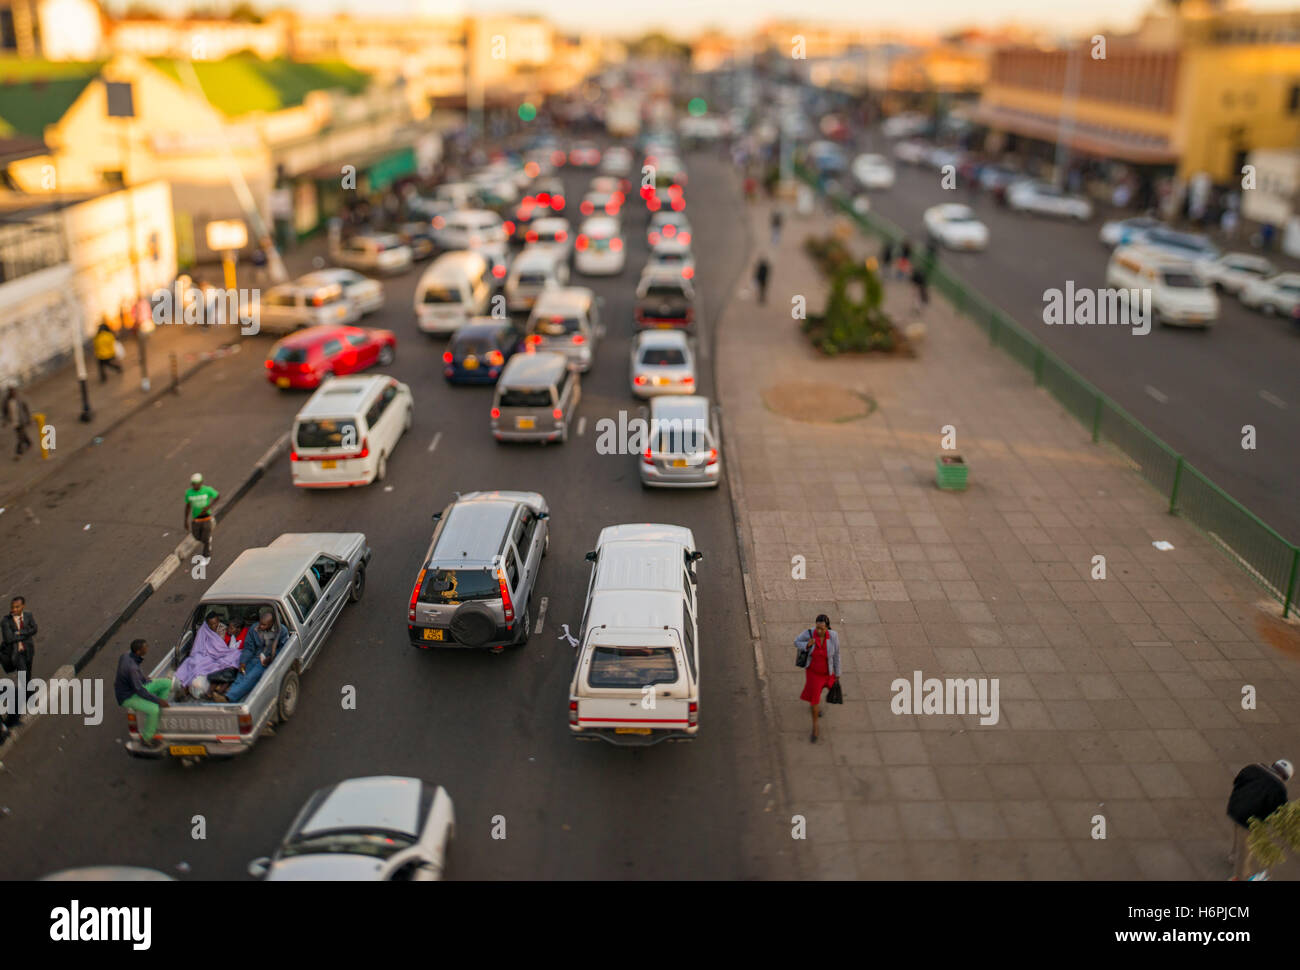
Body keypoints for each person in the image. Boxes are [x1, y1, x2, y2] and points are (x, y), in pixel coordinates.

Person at [1227, 759, 1292, 879]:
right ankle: (1240, 876)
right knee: (1245, 852)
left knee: (1238, 833)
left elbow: (1237, 781)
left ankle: (1233, 856)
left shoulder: (1253, 767)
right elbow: (1279, 810)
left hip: (1235, 807)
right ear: (1284, 777)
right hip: (1250, 821)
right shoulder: (1279, 789)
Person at [216, 607, 288, 704]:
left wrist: (271, 658)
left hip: (267, 660)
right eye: (260, 623)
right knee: (242, 673)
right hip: (255, 657)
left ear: (272, 623)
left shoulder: (281, 631)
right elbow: (249, 647)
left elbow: (283, 649)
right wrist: (243, 662)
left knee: (252, 676)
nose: (260, 626)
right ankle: (230, 694)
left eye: (264, 625)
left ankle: (229, 697)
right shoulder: (254, 629)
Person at [115, 639, 171, 747]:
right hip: (128, 696)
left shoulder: (127, 656)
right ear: (138, 652)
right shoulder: (132, 668)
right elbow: (140, 691)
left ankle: (158, 715)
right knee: (153, 709)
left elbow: (135, 679)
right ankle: (146, 738)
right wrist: (158, 700)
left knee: (166, 683)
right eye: (145, 647)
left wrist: (143, 679)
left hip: (137, 686)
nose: (147, 648)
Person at [795, 615, 840, 743]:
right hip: (814, 674)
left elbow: (837, 655)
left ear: (827, 628)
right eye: (817, 628)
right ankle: (815, 727)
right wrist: (807, 645)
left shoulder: (833, 636)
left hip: (828, 673)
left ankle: (815, 705)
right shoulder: (809, 634)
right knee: (815, 699)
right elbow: (796, 642)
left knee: (830, 690)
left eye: (821, 629)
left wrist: (838, 672)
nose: (818, 631)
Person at [174, 612, 241, 696]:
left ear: (218, 621)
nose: (215, 626)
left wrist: (214, 652)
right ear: (207, 624)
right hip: (203, 653)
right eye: (212, 624)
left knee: (235, 654)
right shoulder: (203, 630)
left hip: (217, 653)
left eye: (216, 623)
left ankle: (188, 687)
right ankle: (185, 686)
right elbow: (198, 646)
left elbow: (220, 647)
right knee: (193, 661)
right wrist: (205, 653)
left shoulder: (223, 628)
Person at [1, 595, 37, 680]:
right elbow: (9, 638)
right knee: (23, 674)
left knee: (28, 672)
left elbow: (34, 629)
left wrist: (20, 632)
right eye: (13, 607)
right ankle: (29, 693)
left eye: (17, 607)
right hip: (16, 652)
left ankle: (26, 691)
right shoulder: (5, 621)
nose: (14, 609)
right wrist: (27, 634)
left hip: (28, 649)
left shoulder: (28, 615)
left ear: (23, 606)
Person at [184, 473, 219, 558]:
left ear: (201, 482)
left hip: (206, 518)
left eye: (197, 483)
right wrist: (185, 520)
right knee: (197, 536)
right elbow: (188, 506)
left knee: (205, 536)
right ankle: (207, 540)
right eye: (194, 484)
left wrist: (208, 507)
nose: (196, 486)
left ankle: (206, 552)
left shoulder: (207, 490)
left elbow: (217, 496)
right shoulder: (188, 493)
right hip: (196, 519)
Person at [4, 387, 32, 460]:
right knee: (22, 435)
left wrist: (28, 419)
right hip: (14, 422)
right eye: (11, 392)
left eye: (14, 392)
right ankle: (28, 442)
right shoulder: (6, 401)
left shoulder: (20, 399)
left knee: (20, 437)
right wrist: (5, 421)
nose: (13, 393)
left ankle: (18, 453)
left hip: (21, 421)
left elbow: (26, 409)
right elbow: (5, 412)